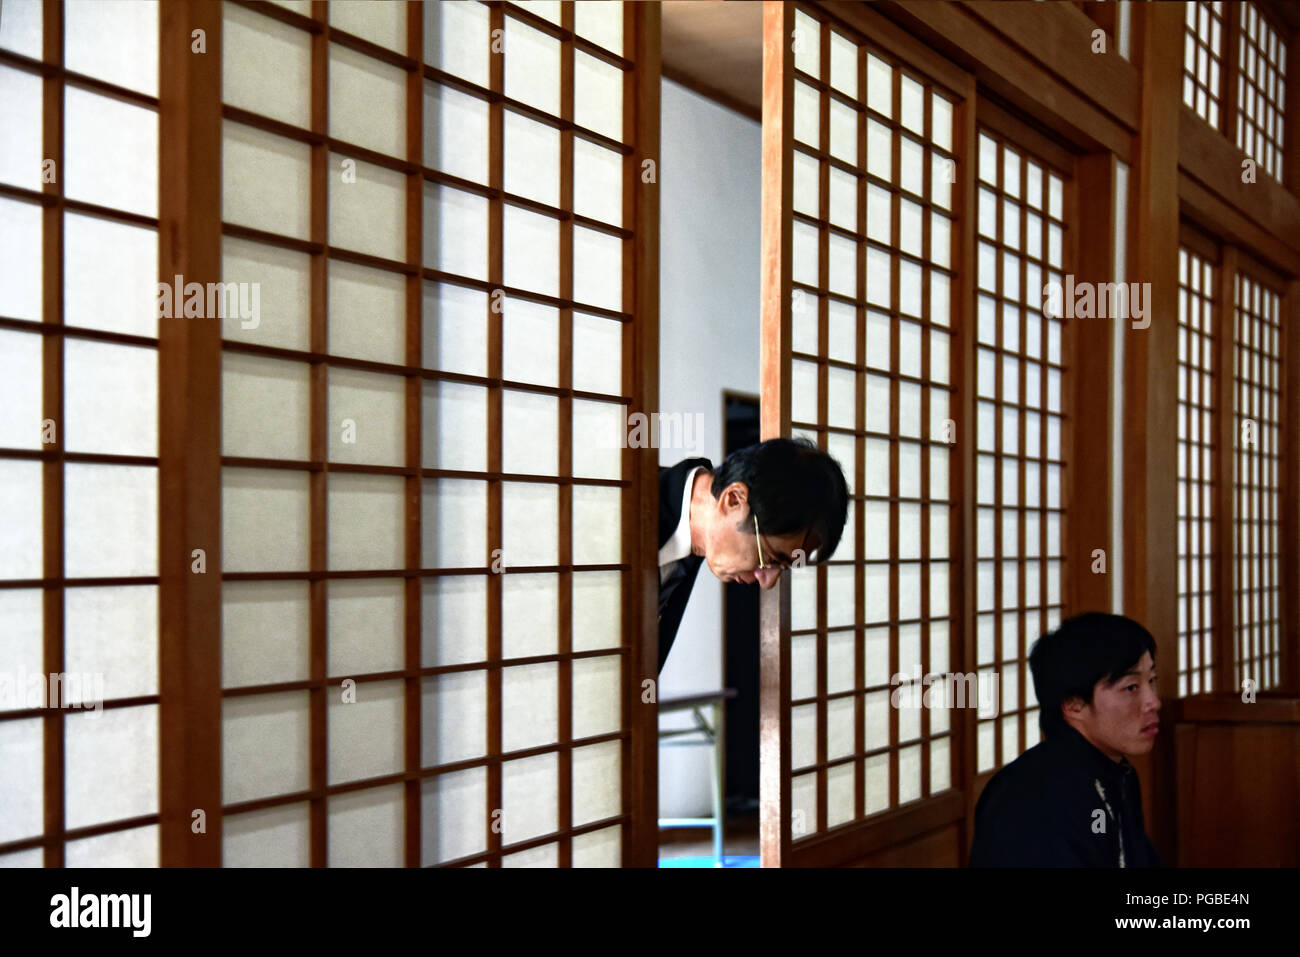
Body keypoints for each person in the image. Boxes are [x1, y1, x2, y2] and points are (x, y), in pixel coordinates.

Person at [969, 612, 1163, 867]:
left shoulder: (1119, 773)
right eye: (1131, 688)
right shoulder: (1031, 799)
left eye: (1151, 680)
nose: (1154, 702)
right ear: (1074, 705)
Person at [657, 437, 849, 674]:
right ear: (734, 500)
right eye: (770, 558)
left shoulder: (691, 551)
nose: (767, 581)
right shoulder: (621, 500)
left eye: (783, 568)